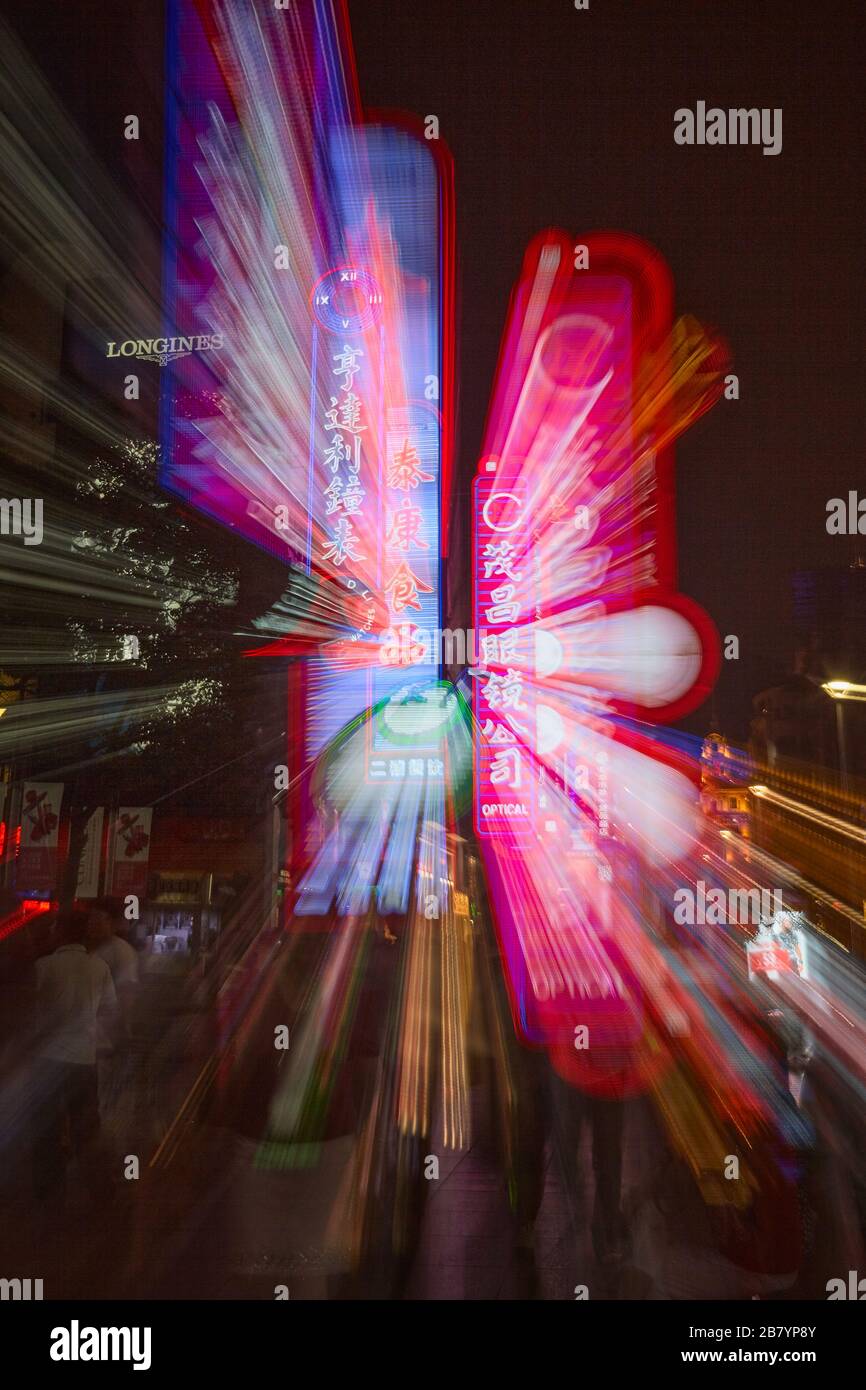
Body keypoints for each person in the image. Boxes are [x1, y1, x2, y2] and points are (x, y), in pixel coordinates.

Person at [31, 908, 117, 1202]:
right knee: (85, 1126)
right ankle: (97, 1190)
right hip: (83, 1059)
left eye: (56, 927)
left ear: (63, 932)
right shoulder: (100, 967)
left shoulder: (44, 967)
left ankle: (49, 1191)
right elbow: (109, 1010)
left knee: (46, 1128)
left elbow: (31, 1012)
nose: (52, 932)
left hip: (48, 1060)